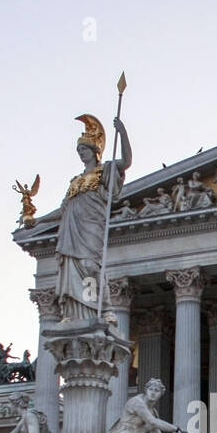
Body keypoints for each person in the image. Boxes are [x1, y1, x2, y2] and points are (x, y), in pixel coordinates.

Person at [55, 113, 132, 322]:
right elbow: (62, 210)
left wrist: (122, 133)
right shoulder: (75, 182)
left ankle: (105, 309)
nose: (81, 153)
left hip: (91, 228)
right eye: (78, 150)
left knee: (91, 266)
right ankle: (75, 315)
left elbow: (126, 162)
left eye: (84, 149)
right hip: (71, 232)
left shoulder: (104, 171)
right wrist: (35, 222)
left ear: (94, 151)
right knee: (73, 272)